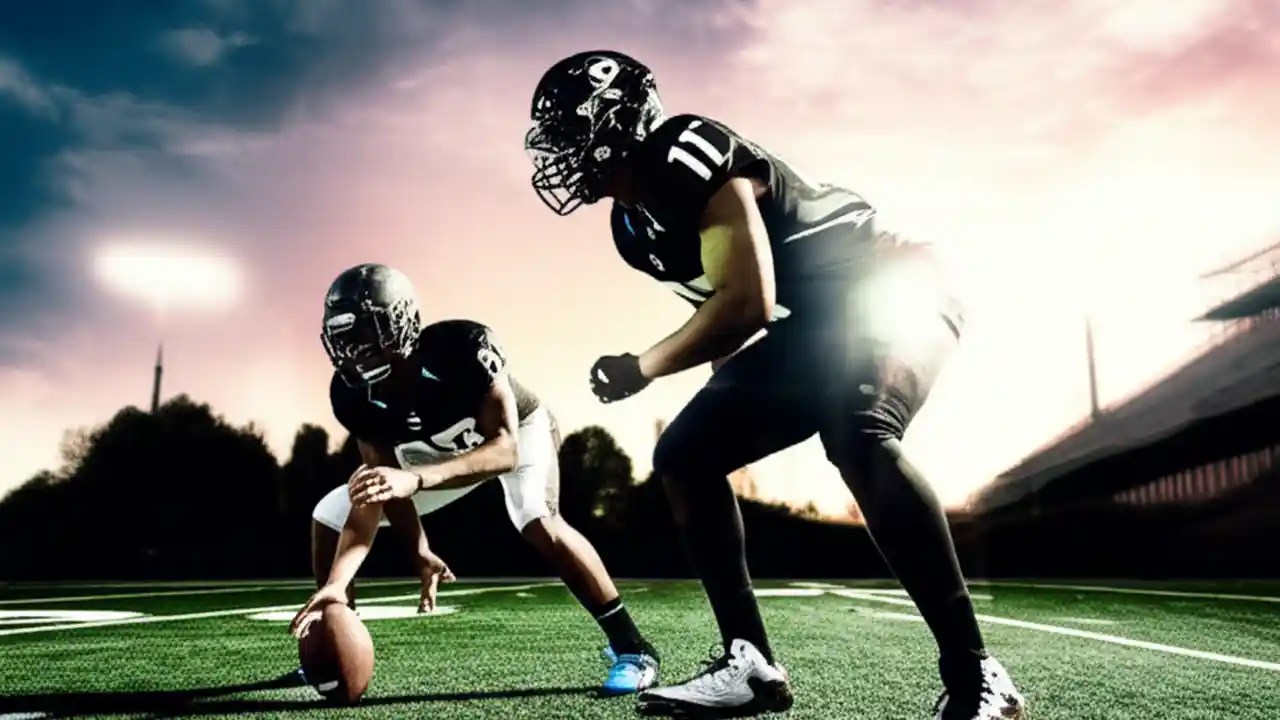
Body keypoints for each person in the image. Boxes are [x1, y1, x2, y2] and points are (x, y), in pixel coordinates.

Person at [523, 50, 1027, 719]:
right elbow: (725, 309)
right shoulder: (630, 228)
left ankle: (978, 676)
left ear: (613, 119)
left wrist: (640, 367)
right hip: (814, 327)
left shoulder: (682, 151)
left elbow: (746, 303)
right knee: (686, 454)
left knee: (859, 431)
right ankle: (750, 664)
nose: (554, 151)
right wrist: (723, 393)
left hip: (891, 286)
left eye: (564, 130)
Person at [289, 262, 660, 696]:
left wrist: (418, 480)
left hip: (515, 433)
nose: (357, 350)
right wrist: (413, 552)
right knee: (328, 514)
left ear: (403, 321)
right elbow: (379, 491)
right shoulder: (352, 393)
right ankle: (334, 647)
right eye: (346, 338)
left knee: (536, 517)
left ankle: (634, 650)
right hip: (437, 450)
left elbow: (504, 450)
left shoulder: (462, 349)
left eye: (369, 332)